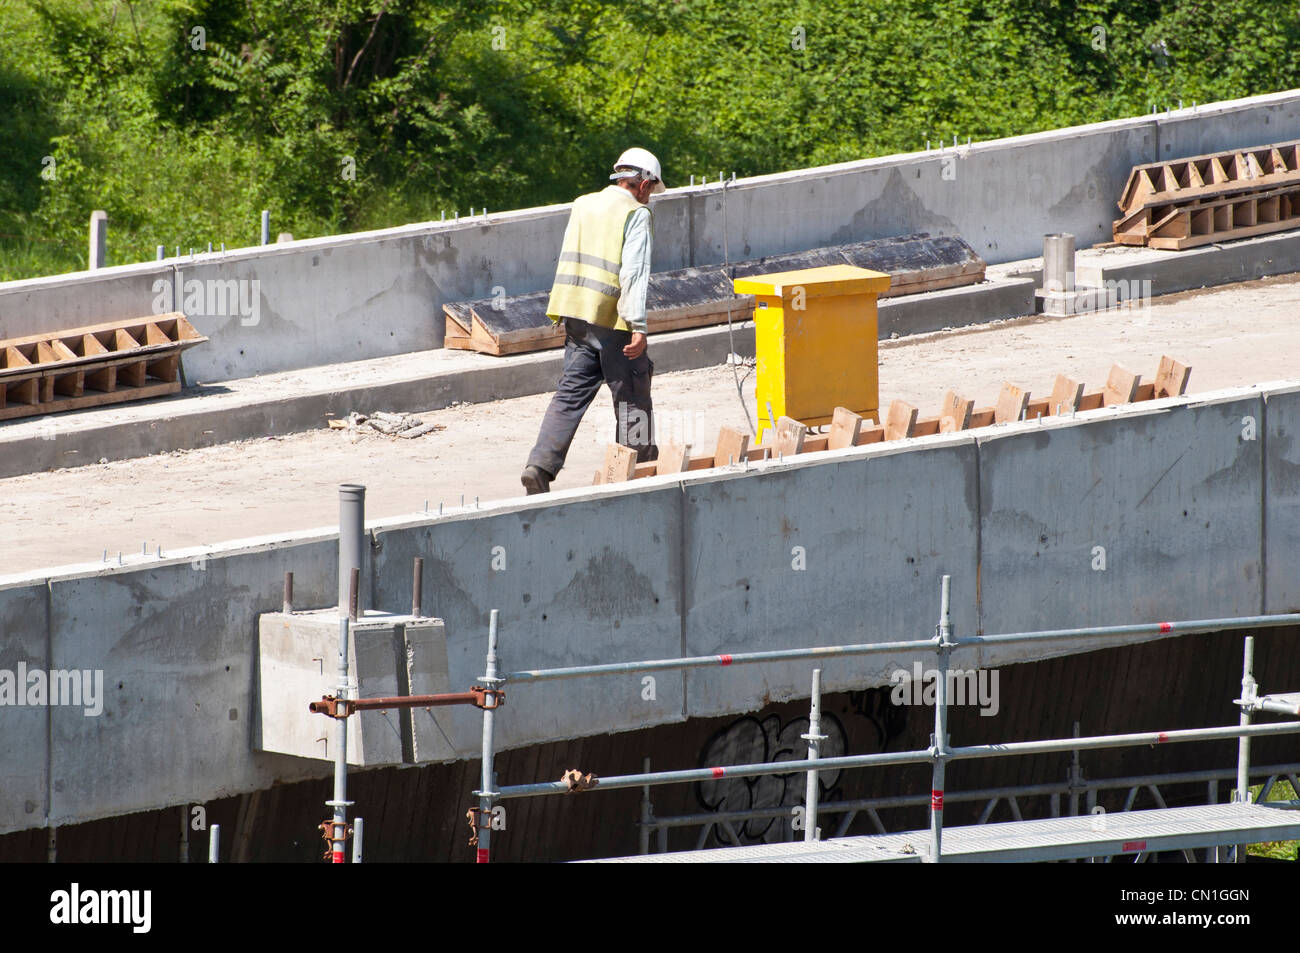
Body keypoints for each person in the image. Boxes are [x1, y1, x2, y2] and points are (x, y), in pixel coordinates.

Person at [520, 148, 665, 494]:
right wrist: (638, 326)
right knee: (632, 392)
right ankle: (640, 471)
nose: (649, 198)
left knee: (569, 393)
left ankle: (539, 466)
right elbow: (633, 273)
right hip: (612, 319)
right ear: (643, 184)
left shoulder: (583, 203)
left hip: (575, 315)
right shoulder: (636, 214)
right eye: (651, 190)